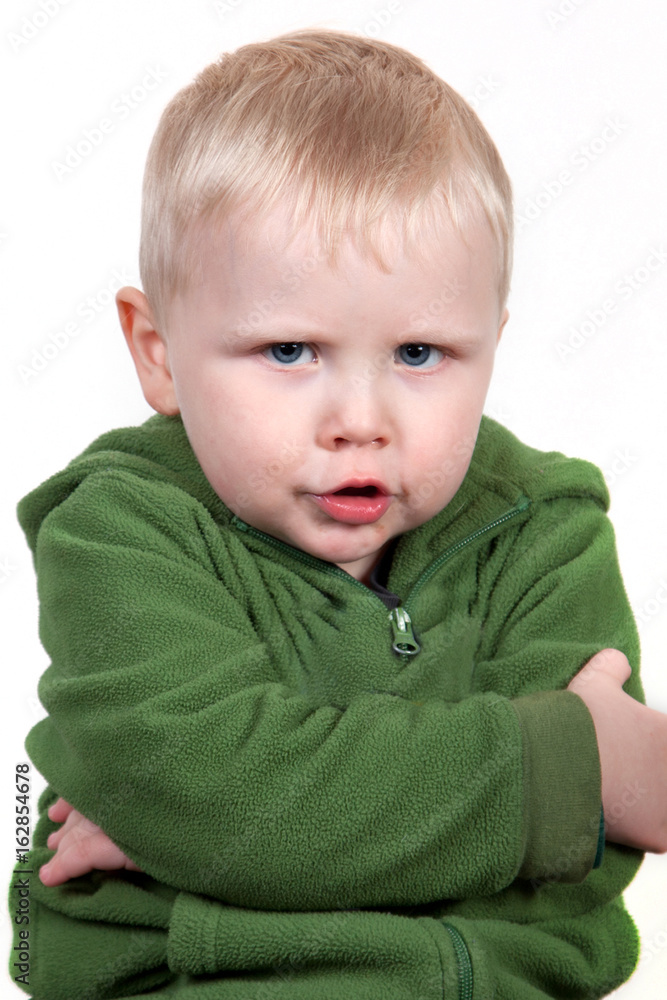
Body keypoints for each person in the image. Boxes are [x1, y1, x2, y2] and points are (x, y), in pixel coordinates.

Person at [9, 28, 667, 1000]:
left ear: (491, 345)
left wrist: (215, 838)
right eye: (288, 351)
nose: (359, 419)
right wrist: (564, 769)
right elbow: (216, 797)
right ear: (158, 354)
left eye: (418, 354)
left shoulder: (548, 532)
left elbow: (580, 869)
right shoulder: (116, 530)